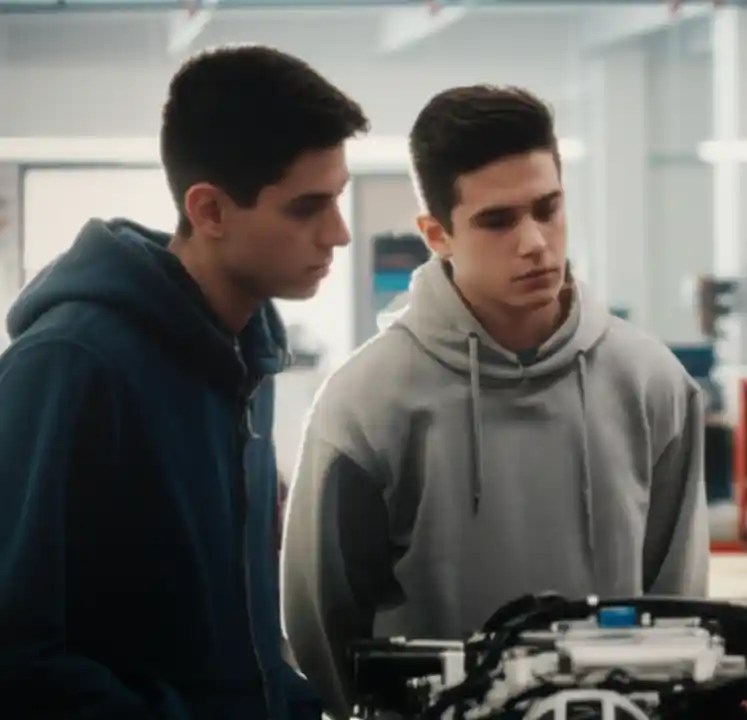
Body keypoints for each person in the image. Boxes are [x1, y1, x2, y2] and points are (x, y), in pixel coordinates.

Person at [280, 84, 710, 718]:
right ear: (436, 234)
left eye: (548, 208)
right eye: (498, 220)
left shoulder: (652, 383)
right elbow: (324, 631)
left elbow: (679, 609)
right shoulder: (365, 404)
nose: (535, 241)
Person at [0, 45, 368, 719]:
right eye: (307, 207)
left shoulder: (247, 364)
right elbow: (16, 654)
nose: (338, 234)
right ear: (211, 211)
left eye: (338, 199)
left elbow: (232, 649)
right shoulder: (70, 365)